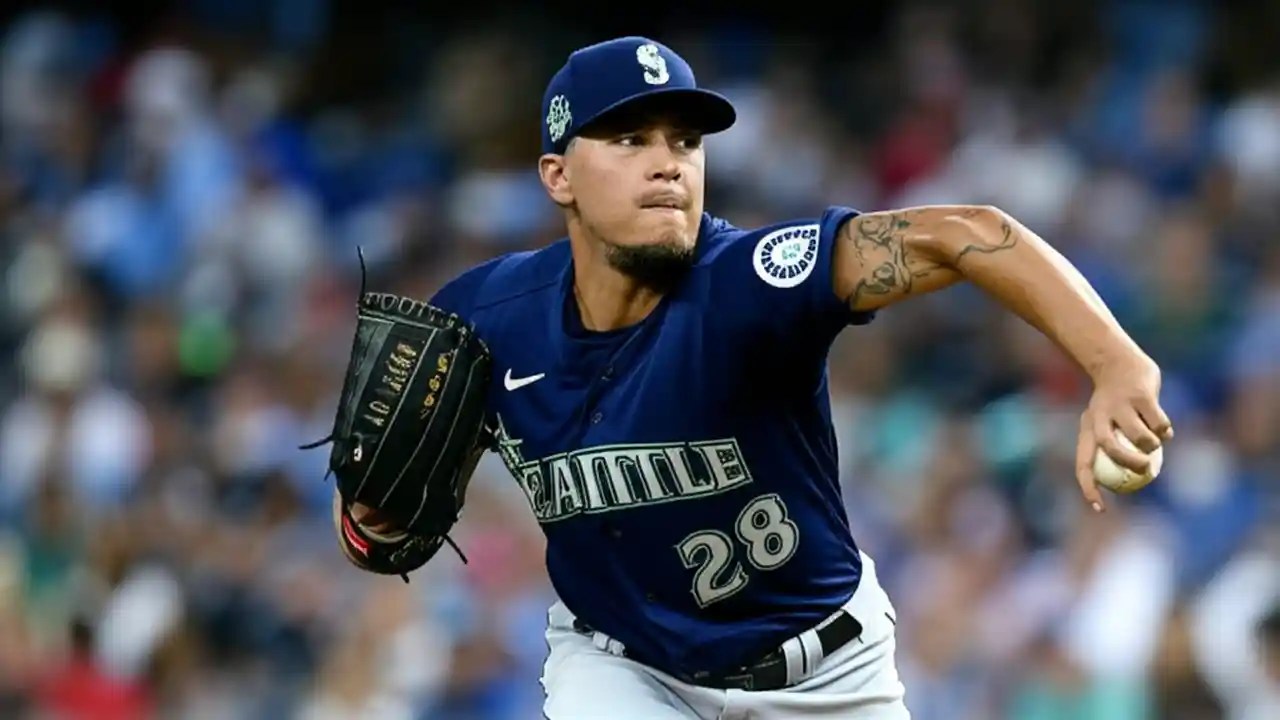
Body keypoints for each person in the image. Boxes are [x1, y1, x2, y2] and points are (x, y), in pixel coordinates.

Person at [344, 36, 1175, 719]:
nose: (668, 163)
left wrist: (1117, 364)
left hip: (823, 679)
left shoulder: (749, 284)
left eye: (684, 140)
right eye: (630, 139)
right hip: (625, 669)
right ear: (558, 175)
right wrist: (370, 524)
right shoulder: (487, 318)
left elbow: (964, 233)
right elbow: (377, 518)